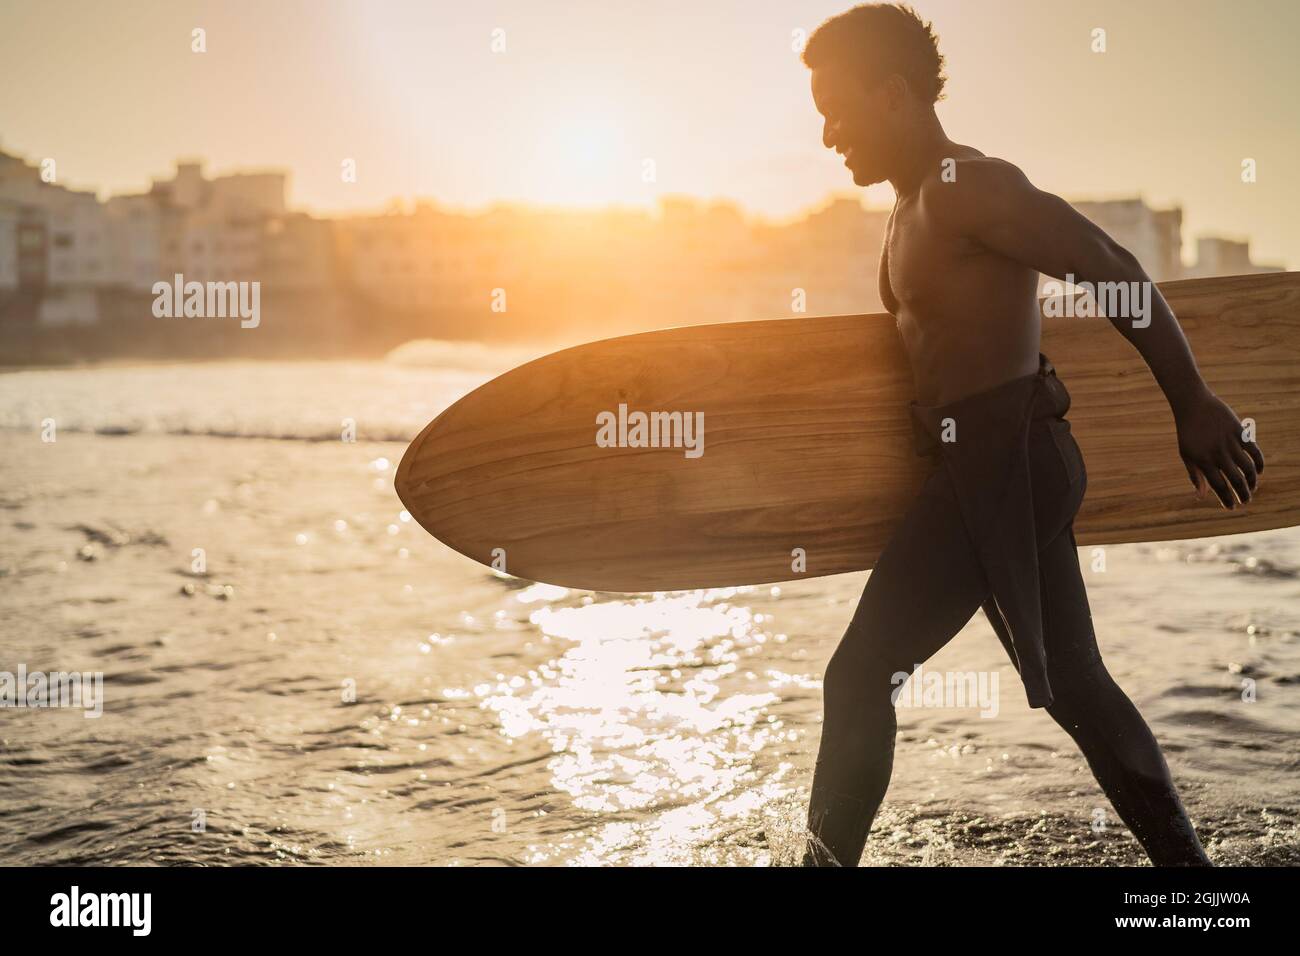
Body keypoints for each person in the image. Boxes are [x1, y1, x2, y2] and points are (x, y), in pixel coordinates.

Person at [799, 2, 1265, 867]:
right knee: (1080, 690)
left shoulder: (968, 187)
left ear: (892, 93)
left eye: (836, 108)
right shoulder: (905, 212)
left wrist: (1191, 401)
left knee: (858, 675)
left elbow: (1110, 266)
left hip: (1007, 462)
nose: (827, 134)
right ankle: (1194, 889)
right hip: (985, 472)